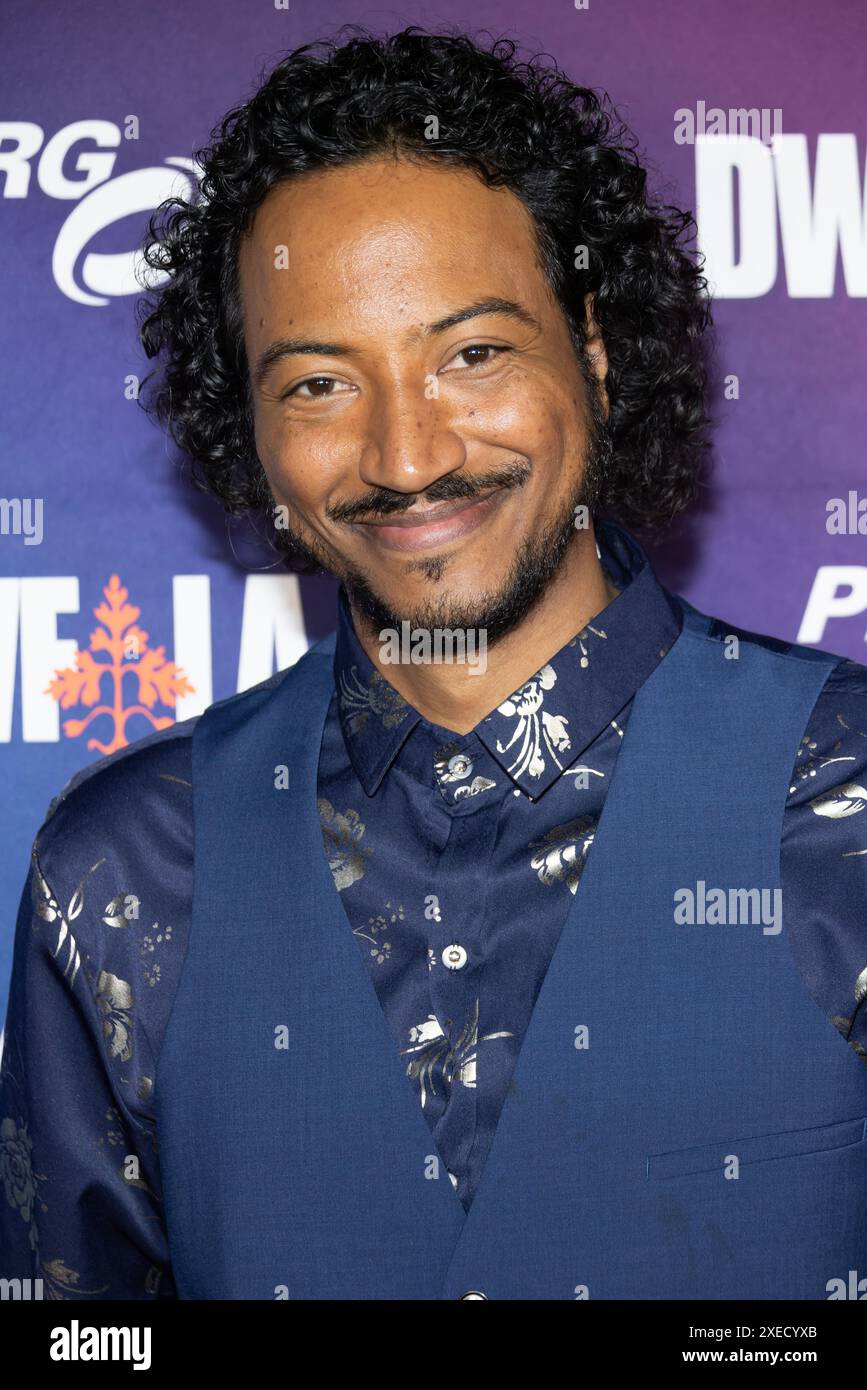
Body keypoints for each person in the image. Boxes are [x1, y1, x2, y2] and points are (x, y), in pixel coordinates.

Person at [1, 27, 865, 1302]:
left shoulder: (847, 802)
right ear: (247, 426)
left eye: (472, 353)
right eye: (316, 384)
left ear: (598, 345)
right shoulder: (127, 869)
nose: (407, 457)